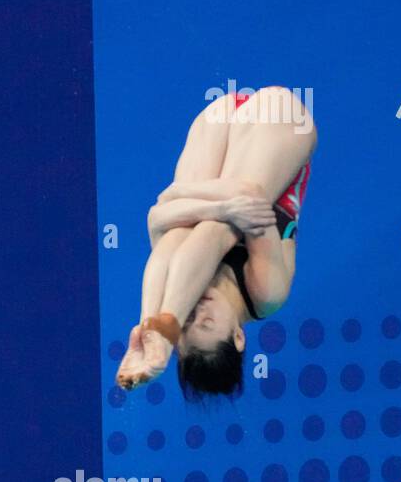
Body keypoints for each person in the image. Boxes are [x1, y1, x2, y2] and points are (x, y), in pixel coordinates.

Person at [115, 86, 316, 401]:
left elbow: (156, 218)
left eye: (188, 320)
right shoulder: (267, 293)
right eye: (207, 323)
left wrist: (211, 205)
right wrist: (210, 207)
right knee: (216, 229)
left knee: (177, 239)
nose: (199, 310)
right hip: (279, 118)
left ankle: (149, 328)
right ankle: (163, 332)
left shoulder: (180, 277)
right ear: (238, 336)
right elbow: (248, 197)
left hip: (219, 121)